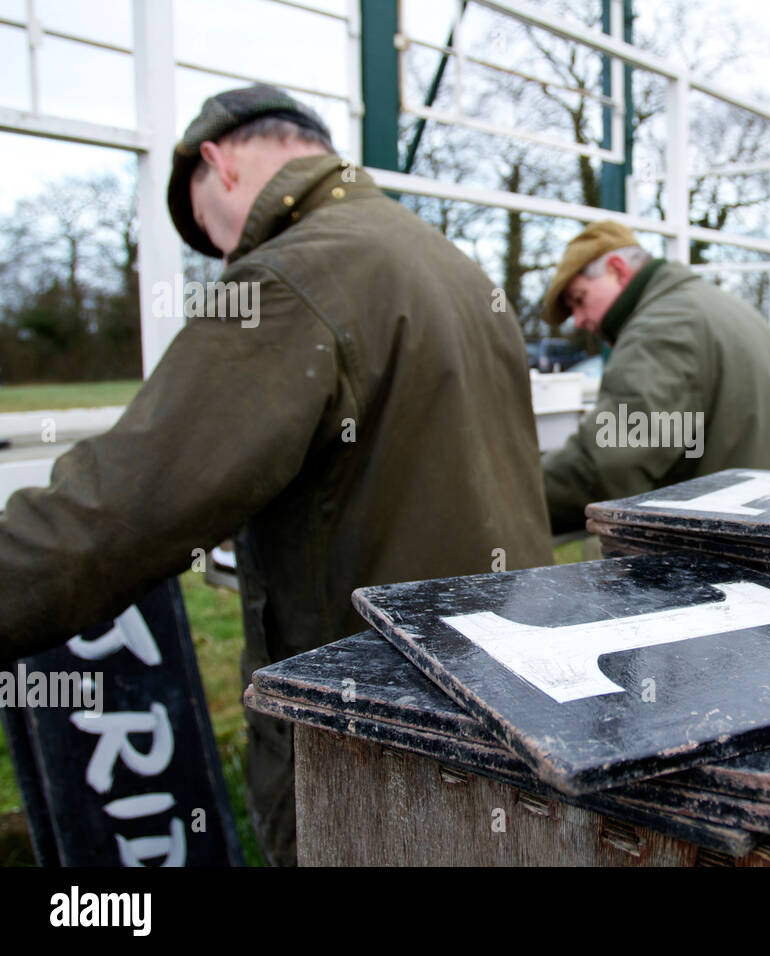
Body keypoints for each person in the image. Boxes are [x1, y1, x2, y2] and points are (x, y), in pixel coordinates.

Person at [0, 85, 553, 865]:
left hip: (366, 756)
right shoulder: (453, 265)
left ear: (219, 165)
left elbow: (114, 515)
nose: (226, 255)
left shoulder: (289, 278)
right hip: (505, 720)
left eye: (210, 231)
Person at [540, 221, 770, 532]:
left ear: (617, 270)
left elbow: (604, 468)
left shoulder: (661, 326)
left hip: (730, 545)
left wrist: (513, 495)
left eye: (579, 300)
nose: (580, 321)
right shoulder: (724, 306)